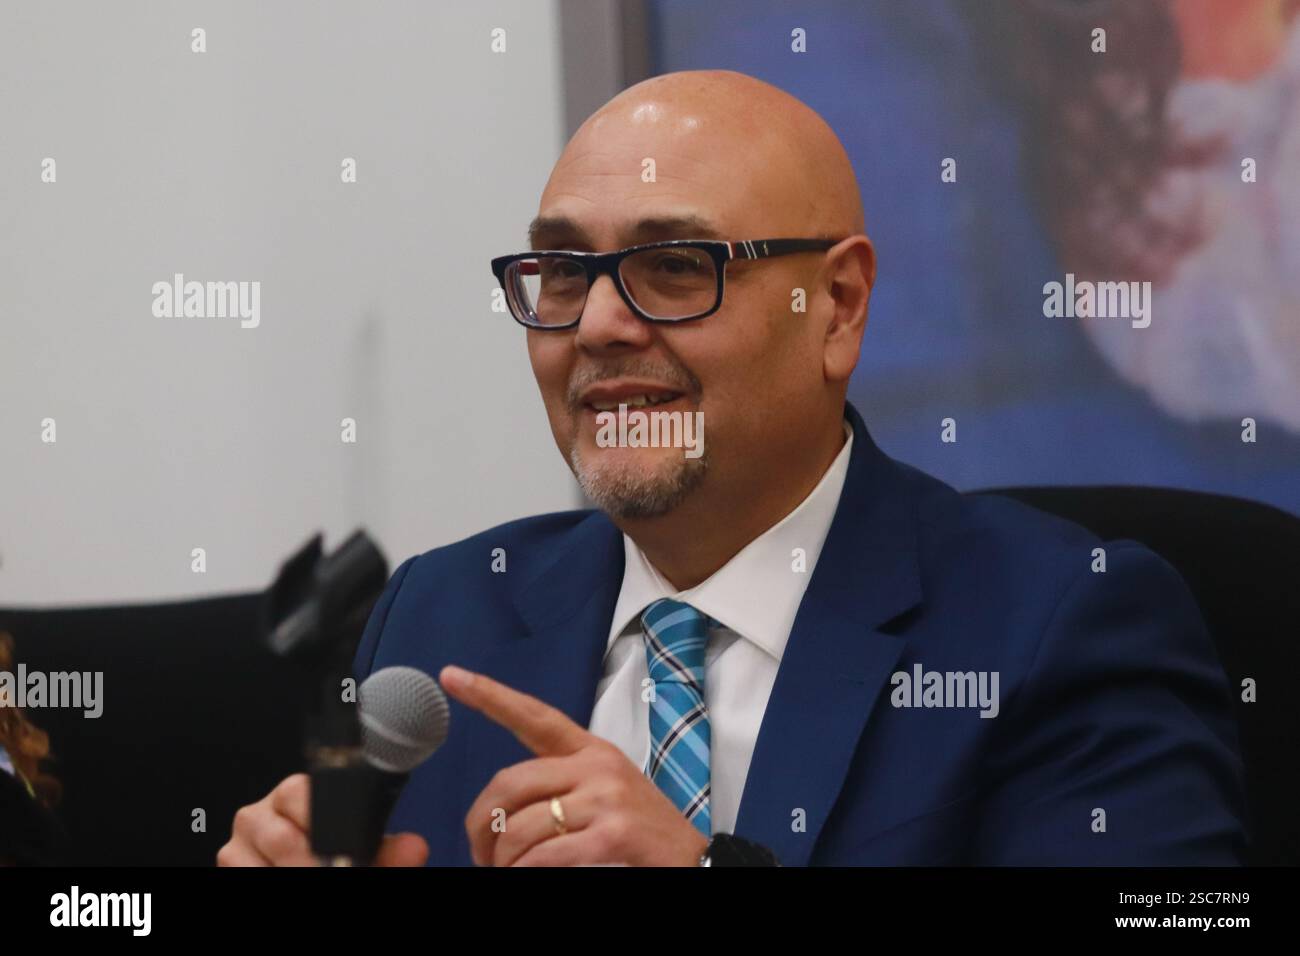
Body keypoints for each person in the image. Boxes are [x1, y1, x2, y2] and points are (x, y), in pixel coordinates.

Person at [219, 69, 1246, 867]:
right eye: (565, 272)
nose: (602, 327)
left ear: (836, 307)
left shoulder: (1053, 624)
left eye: (675, 267)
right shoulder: (443, 615)